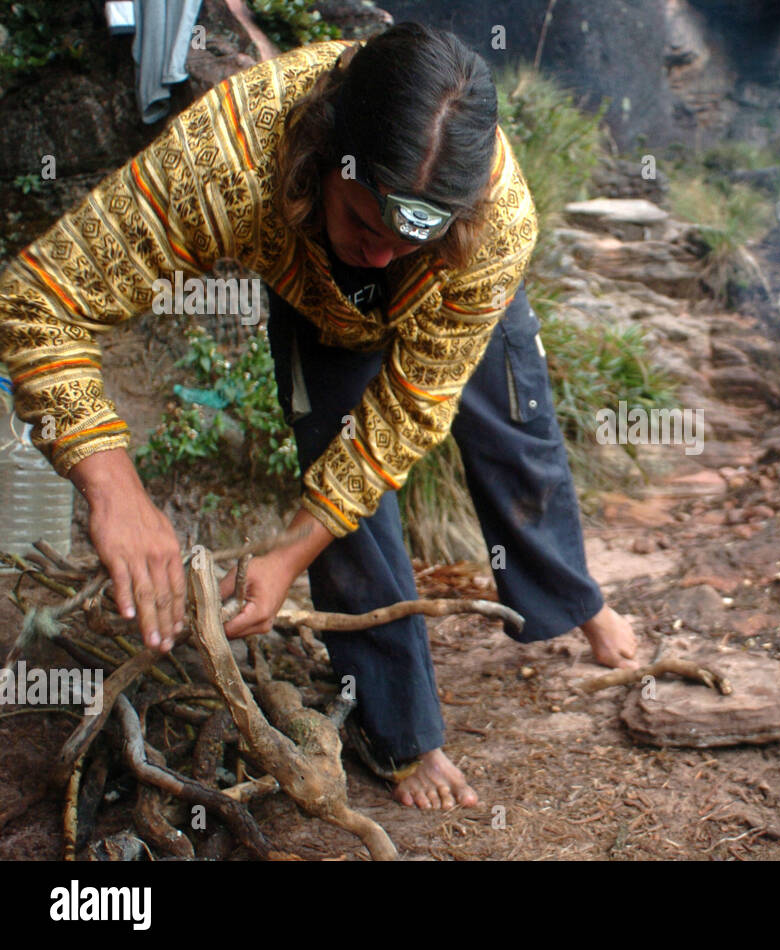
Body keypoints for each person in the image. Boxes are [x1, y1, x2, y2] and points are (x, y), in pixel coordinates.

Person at [0, 24, 635, 813]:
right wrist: (114, 486)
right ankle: (404, 732)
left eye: (409, 240)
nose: (380, 257)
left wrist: (288, 554)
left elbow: (408, 415)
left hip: (459, 293)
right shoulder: (226, 153)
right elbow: (40, 299)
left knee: (515, 430)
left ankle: (575, 602)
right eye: (365, 225)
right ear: (321, 158)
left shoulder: (494, 221)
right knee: (338, 473)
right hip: (318, 306)